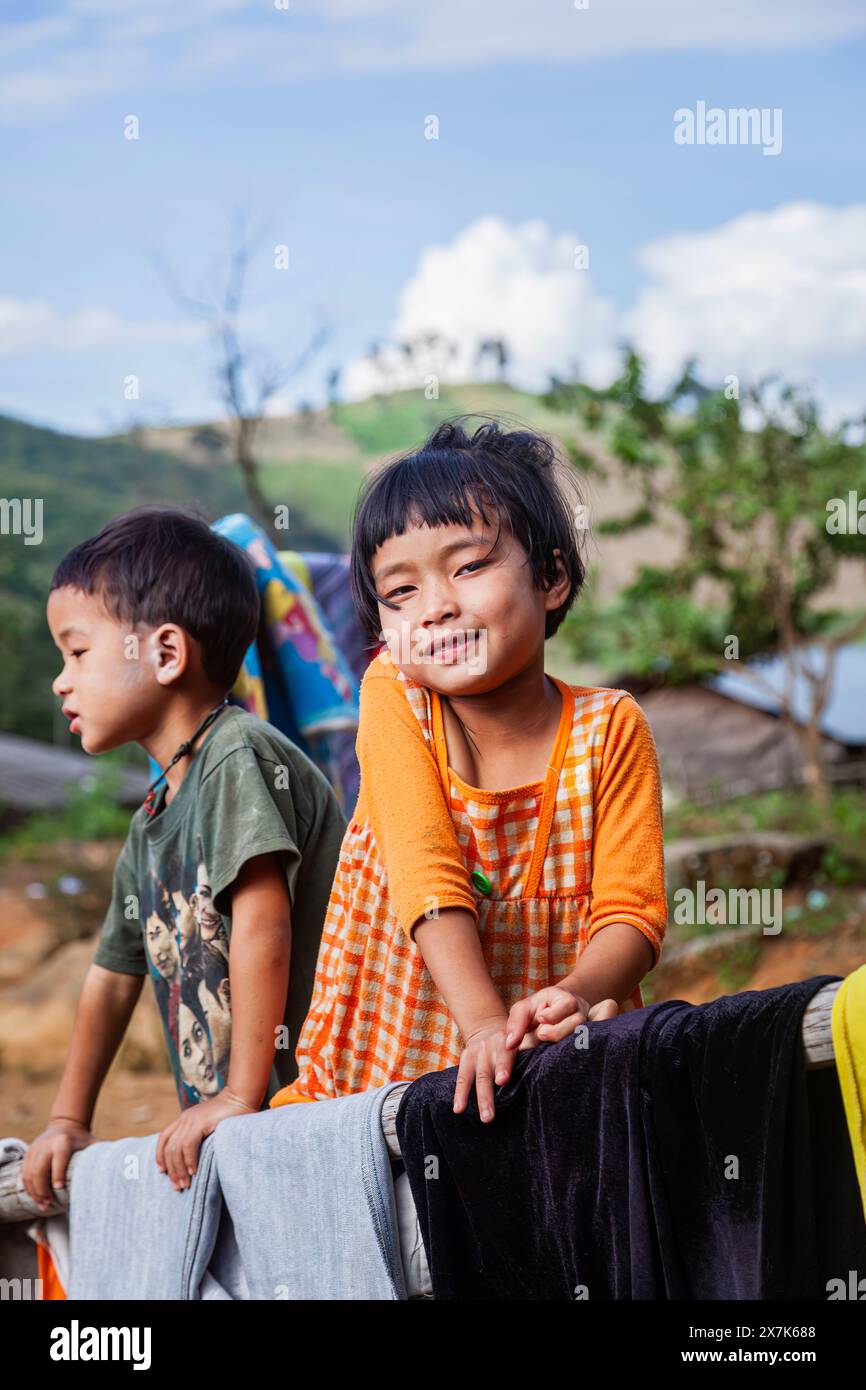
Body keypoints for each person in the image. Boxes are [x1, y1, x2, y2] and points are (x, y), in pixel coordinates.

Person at [270, 418, 668, 1122]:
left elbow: (630, 911)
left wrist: (578, 989)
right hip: (381, 1068)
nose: (437, 607)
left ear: (551, 577)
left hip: (540, 1071)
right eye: (401, 593)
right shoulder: (398, 694)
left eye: (468, 566)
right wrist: (481, 1024)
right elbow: (427, 871)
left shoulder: (611, 729)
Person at [22, 506, 346, 1208]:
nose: (61, 680)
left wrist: (239, 1093)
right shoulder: (152, 819)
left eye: (77, 652)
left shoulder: (237, 756)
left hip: (315, 1103)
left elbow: (264, 923)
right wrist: (68, 1120)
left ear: (165, 654)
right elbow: (111, 979)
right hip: (248, 1123)